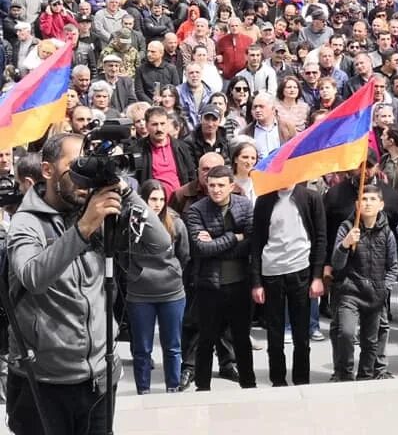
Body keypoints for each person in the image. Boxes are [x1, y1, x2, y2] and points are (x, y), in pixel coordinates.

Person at [6, 133, 171, 434]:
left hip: (99, 377)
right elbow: (32, 277)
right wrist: (83, 229)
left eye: (90, 166)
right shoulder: (27, 221)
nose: (85, 177)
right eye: (77, 166)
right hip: (42, 382)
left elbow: (160, 244)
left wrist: (123, 190)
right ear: (48, 170)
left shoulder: (96, 209)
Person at [185, 165, 256, 391]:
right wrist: (234, 236)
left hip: (240, 284)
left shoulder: (245, 205)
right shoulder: (196, 210)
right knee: (206, 339)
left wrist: (216, 242)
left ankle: (248, 384)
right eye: (211, 185)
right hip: (209, 285)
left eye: (220, 185)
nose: (215, 190)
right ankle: (202, 387)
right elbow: (200, 249)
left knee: (241, 339)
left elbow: (251, 243)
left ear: (231, 186)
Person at [251, 182, 327, 387]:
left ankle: (302, 379)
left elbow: (320, 237)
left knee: (301, 334)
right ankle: (277, 380)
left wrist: (317, 275)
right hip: (272, 272)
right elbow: (256, 241)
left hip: (301, 270)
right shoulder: (264, 200)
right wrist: (257, 281)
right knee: (275, 333)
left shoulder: (311, 198)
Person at [123, 179, 189, 394]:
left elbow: (185, 255)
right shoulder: (131, 223)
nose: (158, 204)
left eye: (161, 199)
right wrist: (134, 274)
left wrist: (174, 273)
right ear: (143, 199)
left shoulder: (176, 222)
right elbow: (121, 255)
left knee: (173, 347)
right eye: (153, 199)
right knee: (142, 350)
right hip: (140, 294)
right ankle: (143, 390)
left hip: (171, 292)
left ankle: (173, 387)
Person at [331, 185, 398, 381]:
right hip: (350, 291)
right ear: (357, 204)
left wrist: (384, 287)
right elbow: (336, 263)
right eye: (363, 199)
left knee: (370, 341)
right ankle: (344, 374)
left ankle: (366, 375)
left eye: (372, 199)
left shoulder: (386, 232)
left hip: (375, 294)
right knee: (346, 333)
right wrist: (345, 244)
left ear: (381, 205)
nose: (367, 203)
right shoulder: (347, 227)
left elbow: (393, 266)